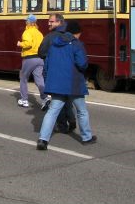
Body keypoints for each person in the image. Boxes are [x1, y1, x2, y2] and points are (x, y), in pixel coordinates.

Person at [37, 20, 96, 150]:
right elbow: (82, 64)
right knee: (82, 111)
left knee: (52, 112)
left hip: (57, 84)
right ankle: (86, 137)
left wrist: (48, 81)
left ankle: (43, 139)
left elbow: (46, 65)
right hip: (73, 83)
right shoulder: (76, 44)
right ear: (77, 33)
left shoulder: (54, 44)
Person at [16, 15, 46, 108]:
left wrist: (20, 43)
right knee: (39, 78)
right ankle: (45, 98)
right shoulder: (39, 33)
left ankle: (24, 100)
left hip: (29, 58)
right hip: (40, 59)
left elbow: (28, 44)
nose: (25, 22)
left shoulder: (27, 32)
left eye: (26, 21)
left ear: (28, 22)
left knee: (23, 78)